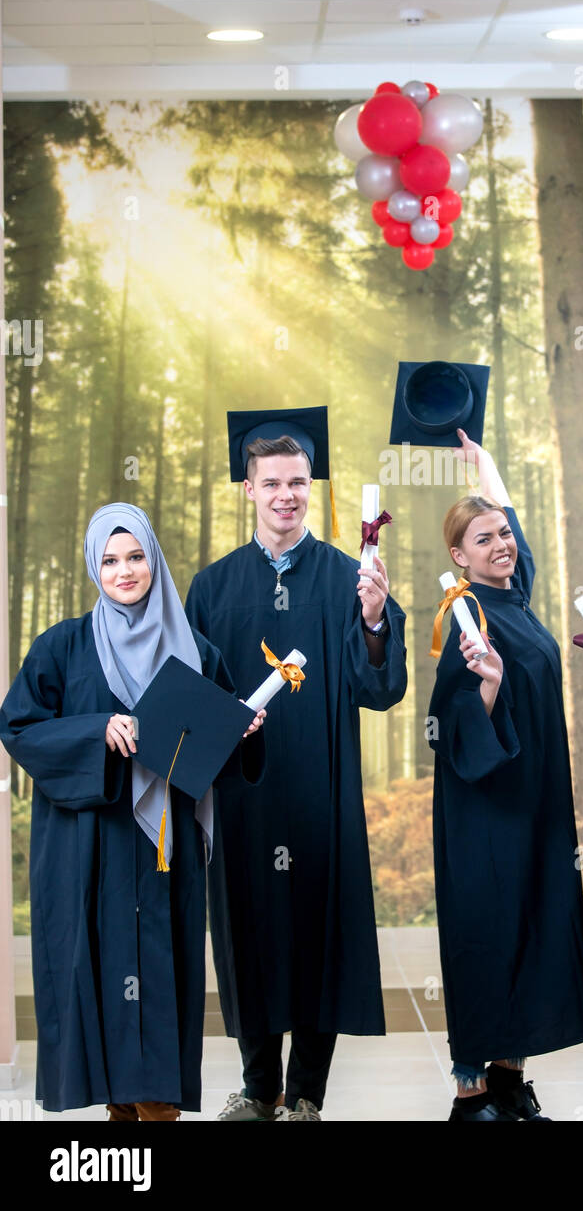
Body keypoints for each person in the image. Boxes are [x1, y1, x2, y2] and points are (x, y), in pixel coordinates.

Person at [0, 503, 262, 1120]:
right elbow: (18, 727)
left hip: (162, 851)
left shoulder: (193, 651)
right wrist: (97, 730)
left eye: (137, 556)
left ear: (155, 560)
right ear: (95, 566)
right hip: (87, 848)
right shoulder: (62, 646)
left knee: (159, 985)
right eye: (111, 560)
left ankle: (156, 1114)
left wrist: (244, 732)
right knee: (98, 979)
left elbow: (214, 756)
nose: (125, 570)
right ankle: (120, 1125)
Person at [185, 407, 407, 1122]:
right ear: (247, 489)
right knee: (247, 930)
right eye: (272, 483)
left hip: (322, 792)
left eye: (298, 482)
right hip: (241, 792)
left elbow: (379, 690)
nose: (286, 494)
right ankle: (258, 1089)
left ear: (311, 487)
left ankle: (306, 1095)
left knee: (319, 932)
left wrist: (374, 622)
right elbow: (188, 695)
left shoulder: (350, 577)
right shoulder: (211, 588)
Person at [428, 432, 583, 1121]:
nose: (501, 544)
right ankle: (472, 1095)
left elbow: (519, 544)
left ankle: (509, 1083)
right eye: (484, 538)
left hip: (533, 810)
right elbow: (450, 723)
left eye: (503, 533)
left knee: (529, 931)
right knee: (488, 936)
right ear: (458, 557)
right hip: (484, 818)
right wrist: (489, 687)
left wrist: (489, 471)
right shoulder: (467, 617)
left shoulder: (514, 599)